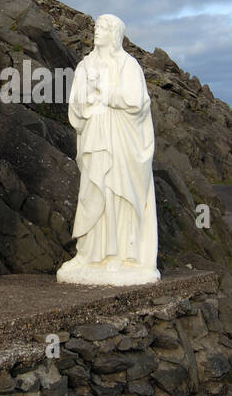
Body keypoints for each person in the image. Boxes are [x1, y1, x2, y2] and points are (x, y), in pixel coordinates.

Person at [57, 14, 160, 286]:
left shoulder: (128, 64)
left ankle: (121, 254)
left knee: (117, 190)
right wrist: (87, 100)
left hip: (120, 137)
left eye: (102, 28)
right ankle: (90, 254)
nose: (97, 32)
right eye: (96, 27)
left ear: (114, 34)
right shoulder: (85, 65)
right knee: (93, 189)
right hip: (94, 134)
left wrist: (105, 91)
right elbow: (75, 104)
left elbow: (136, 100)